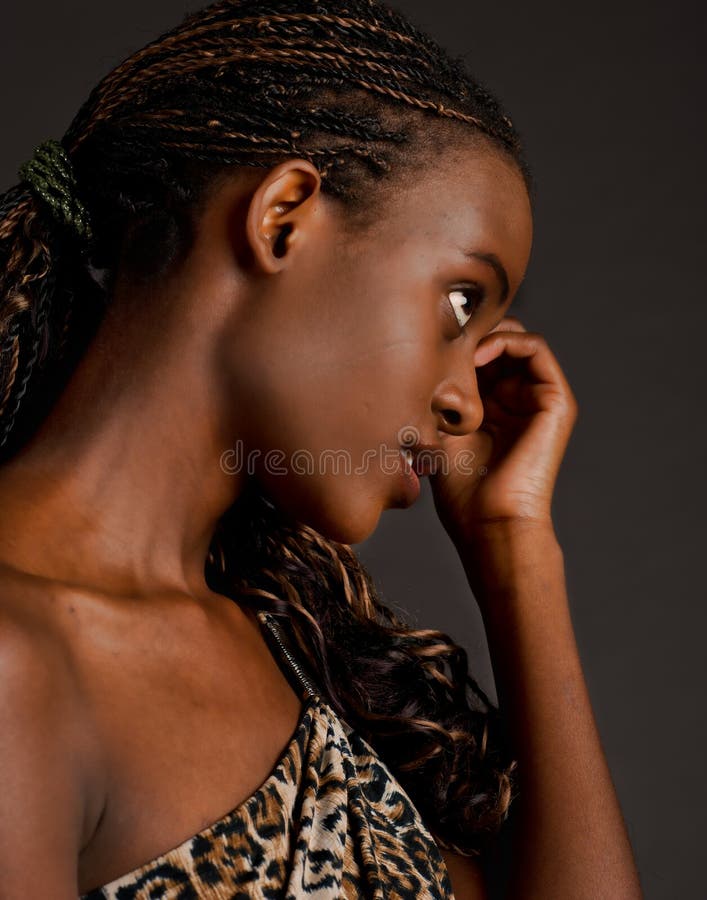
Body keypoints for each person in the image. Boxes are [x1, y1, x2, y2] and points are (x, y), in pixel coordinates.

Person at [0, 0, 643, 897]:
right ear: (282, 220)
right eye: (461, 303)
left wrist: (515, 550)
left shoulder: (292, 643)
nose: (464, 402)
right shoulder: (16, 665)